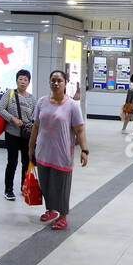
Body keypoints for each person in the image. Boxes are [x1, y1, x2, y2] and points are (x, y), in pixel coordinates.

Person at [28, 70, 88, 230]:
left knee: (61, 186)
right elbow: (36, 126)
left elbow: (80, 130)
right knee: (46, 184)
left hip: (62, 153)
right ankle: (50, 210)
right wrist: (31, 146)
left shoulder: (72, 106)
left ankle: (62, 215)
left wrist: (84, 150)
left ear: (65, 83)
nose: (56, 83)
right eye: (53, 80)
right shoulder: (41, 102)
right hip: (43, 151)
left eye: (59, 80)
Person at [0, 68, 35, 201]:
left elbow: (34, 116)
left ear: (29, 82)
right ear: (16, 80)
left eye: (25, 80)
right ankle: (8, 189)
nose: (23, 82)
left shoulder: (31, 98)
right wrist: (12, 119)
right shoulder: (9, 94)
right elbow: (0, 109)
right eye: (20, 79)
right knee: (12, 162)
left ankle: (24, 187)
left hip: (26, 135)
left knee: (26, 162)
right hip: (12, 133)